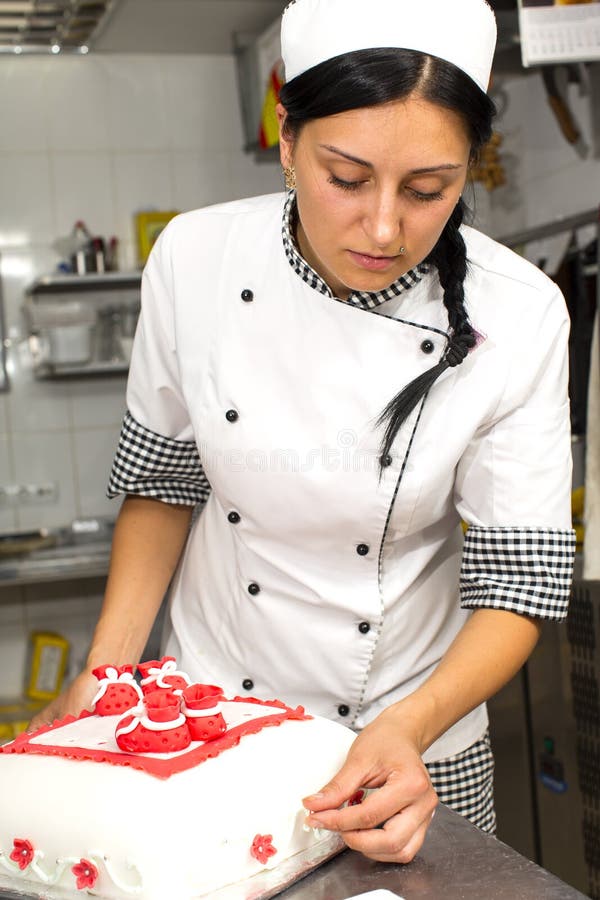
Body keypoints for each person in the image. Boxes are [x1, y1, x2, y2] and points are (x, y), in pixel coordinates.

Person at [32, 0, 576, 864]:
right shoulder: (194, 258)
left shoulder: (524, 313)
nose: (387, 226)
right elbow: (167, 484)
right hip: (210, 725)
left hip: (410, 740)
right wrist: (109, 669)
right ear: (288, 139)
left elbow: (517, 581)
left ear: (468, 171)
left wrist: (409, 728)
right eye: (347, 178)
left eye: (429, 189)